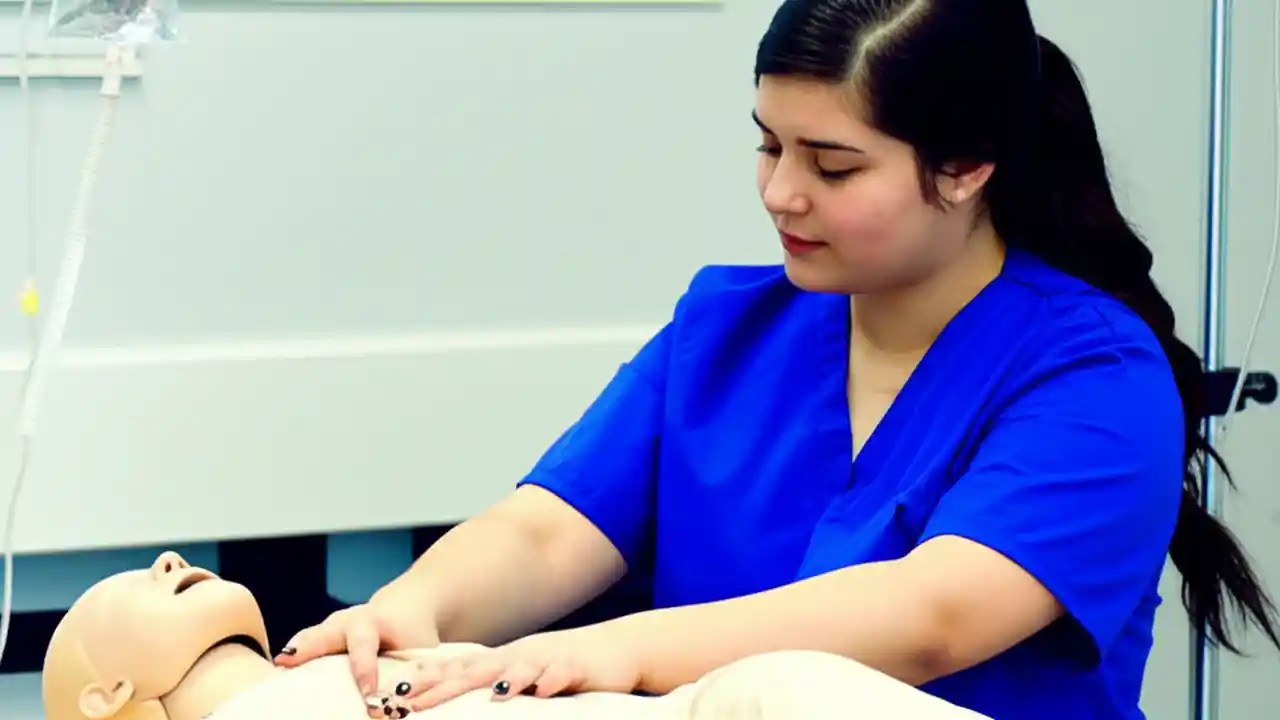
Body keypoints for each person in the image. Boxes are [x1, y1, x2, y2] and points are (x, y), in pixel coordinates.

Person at [277, 1, 1280, 718]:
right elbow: (544, 535)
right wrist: (413, 610)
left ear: (966, 169)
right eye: (768, 146)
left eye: (832, 166)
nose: (780, 194)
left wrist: (608, 653)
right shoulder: (726, 328)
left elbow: (933, 614)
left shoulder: (1096, 379)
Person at [39, 551, 989, 720]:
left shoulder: (349, 663)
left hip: (725, 706)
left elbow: (941, 612)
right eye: (131, 585)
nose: (168, 558)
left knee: (783, 686)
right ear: (104, 697)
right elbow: (539, 531)